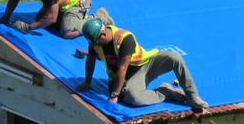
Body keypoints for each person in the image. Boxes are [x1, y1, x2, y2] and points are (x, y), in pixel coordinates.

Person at [76, 16, 209, 112]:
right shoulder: (96, 42)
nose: (95, 46)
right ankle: (166, 92)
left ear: (103, 34)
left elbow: (122, 67)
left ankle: (192, 97)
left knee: (174, 57)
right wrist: (88, 82)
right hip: (129, 77)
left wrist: (114, 96)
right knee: (132, 97)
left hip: (146, 65)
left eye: (97, 42)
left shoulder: (124, 38)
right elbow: (91, 59)